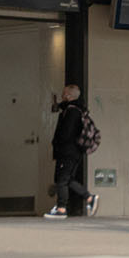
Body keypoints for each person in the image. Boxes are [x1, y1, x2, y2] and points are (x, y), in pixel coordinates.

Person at [46, 83, 96, 218]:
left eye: (63, 94)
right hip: (72, 152)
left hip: (68, 151)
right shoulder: (75, 110)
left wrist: (58, 144)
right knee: (66, 179)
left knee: (62, 180)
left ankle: (61, 209)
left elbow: (66, 133)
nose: (62, 96)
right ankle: (90, 198)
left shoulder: (72, 111)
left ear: (68, 95)